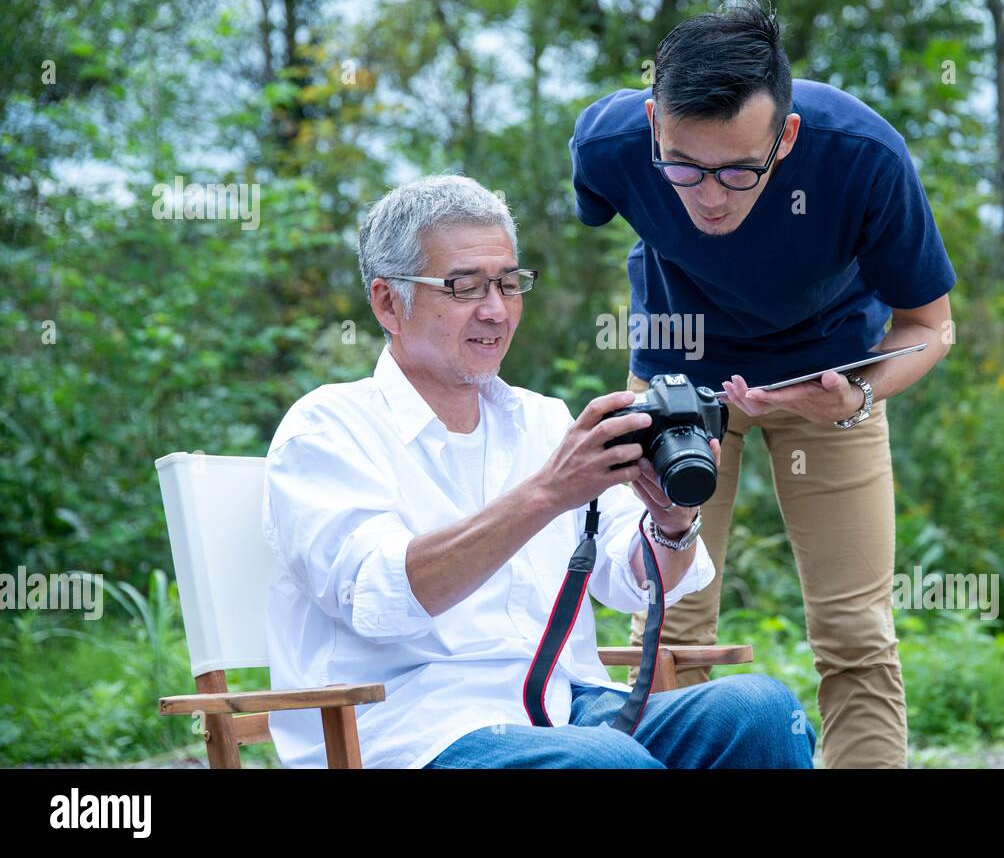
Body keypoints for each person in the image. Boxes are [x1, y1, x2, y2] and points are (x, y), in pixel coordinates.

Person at [261, 172, 817, 769]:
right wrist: (548, 494)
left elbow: (636, 578)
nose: (496, 311)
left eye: (508, 283)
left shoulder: (543, 420)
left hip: (563, 706)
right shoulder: (326, 427)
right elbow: (380, 599)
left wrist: (673, 520)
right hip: (414, 731)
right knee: (606, 763)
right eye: (464, 287)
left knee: (761, 709)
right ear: (388, 303)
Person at [568, 0, 957, 768]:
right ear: (652, 123)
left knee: (855, 633)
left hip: (829, 381)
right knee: (670, 618)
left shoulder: (862, 157)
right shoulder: (609, 144)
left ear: (787, 135)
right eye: (683, 166)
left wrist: (861, 394)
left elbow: (929, 327)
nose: (711, 196)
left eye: (741, 170)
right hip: (679, 384)